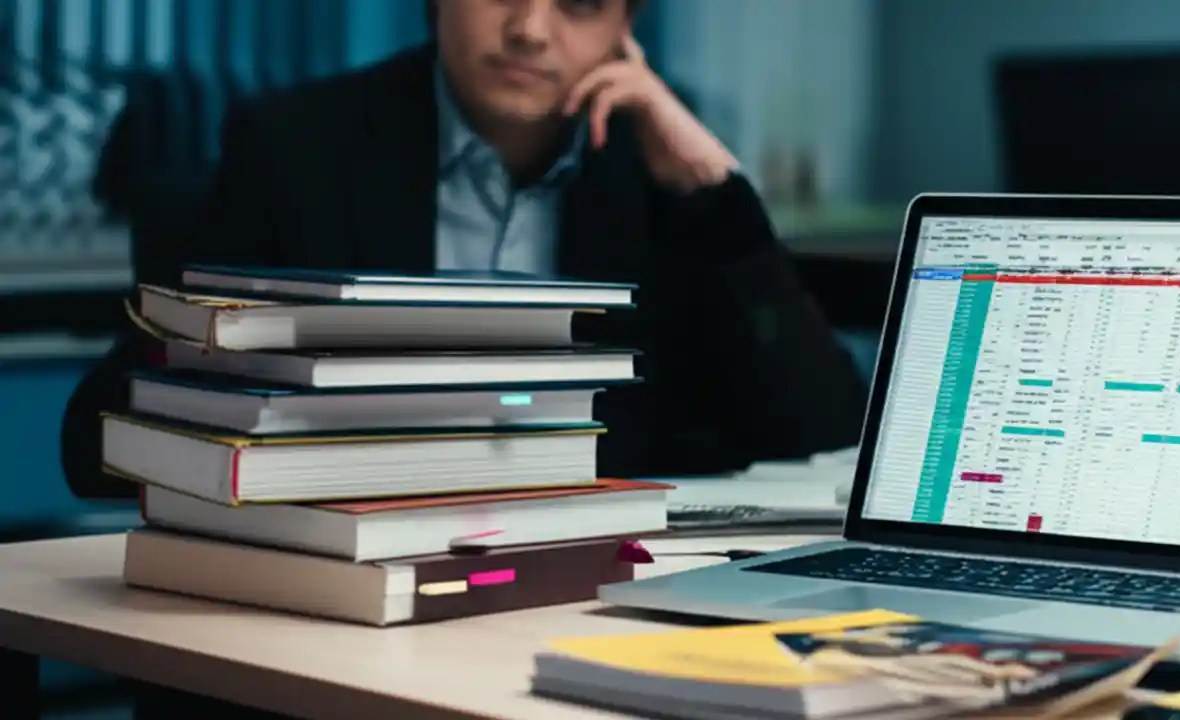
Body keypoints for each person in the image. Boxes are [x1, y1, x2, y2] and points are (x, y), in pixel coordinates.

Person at [61, 0, 868, 500]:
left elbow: (820, 429)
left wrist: (712, 190)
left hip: (585, 594)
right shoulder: (296, 147)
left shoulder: (652, 171)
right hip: (345, 569)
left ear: (627, 30)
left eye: (580, 3)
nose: (529, 27)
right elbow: (107, 434)